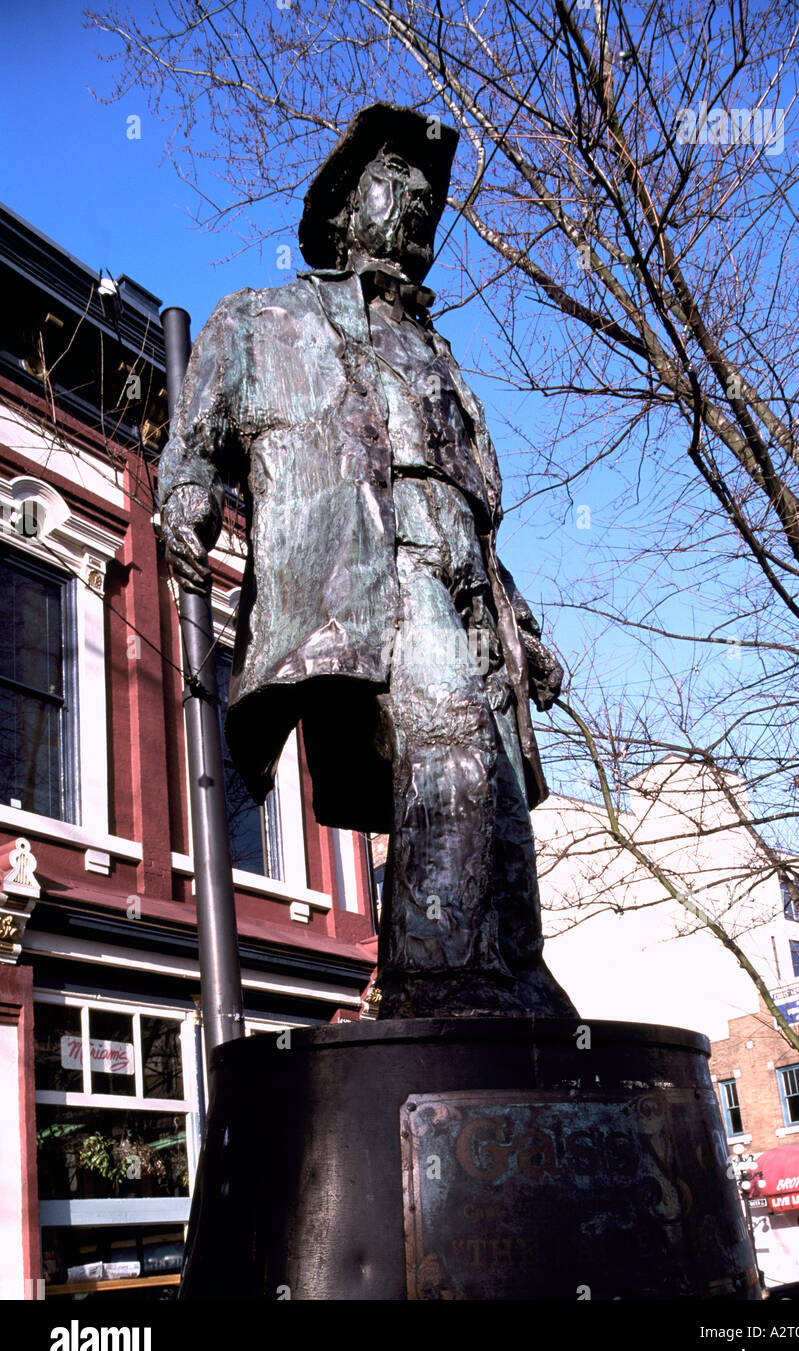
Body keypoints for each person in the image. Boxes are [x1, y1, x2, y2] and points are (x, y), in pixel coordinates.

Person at [158, 104, 576, 1021]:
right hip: (377, 577)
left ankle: (516, 969)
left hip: (468, 581)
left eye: (431, 196)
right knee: (451, 749)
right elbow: (198, 442)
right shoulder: (264, 317)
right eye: (399, 185)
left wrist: (526, 628)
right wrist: (185, 498)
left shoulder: (438, 354)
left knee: (502, 796)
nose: (420, 205)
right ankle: (439, 980)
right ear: (343, 210)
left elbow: (475, 505)